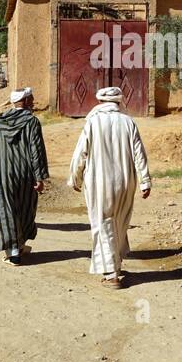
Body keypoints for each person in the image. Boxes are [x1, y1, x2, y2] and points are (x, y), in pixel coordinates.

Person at [68, 86, 151, 289]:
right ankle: (117, 262)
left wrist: (75, 179)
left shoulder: (93, 122)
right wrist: (145, 181)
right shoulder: (128, 122)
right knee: (120, 223)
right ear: (119, 102)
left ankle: (111, 274)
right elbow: (139, 153)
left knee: (103, 225)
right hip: (125, 182)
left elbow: (81, 153)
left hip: (99, 183)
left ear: (100, 102)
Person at [0, 87, 49, 265]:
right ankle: (17, 249)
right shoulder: (32, 122)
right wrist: (39, 177)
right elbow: (36, 150)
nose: (34, 101)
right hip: (25, 175)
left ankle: (14, 250)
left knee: (6, 211)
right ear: (25, 101)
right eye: (31, 99)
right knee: (25, 209)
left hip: (2, 174)